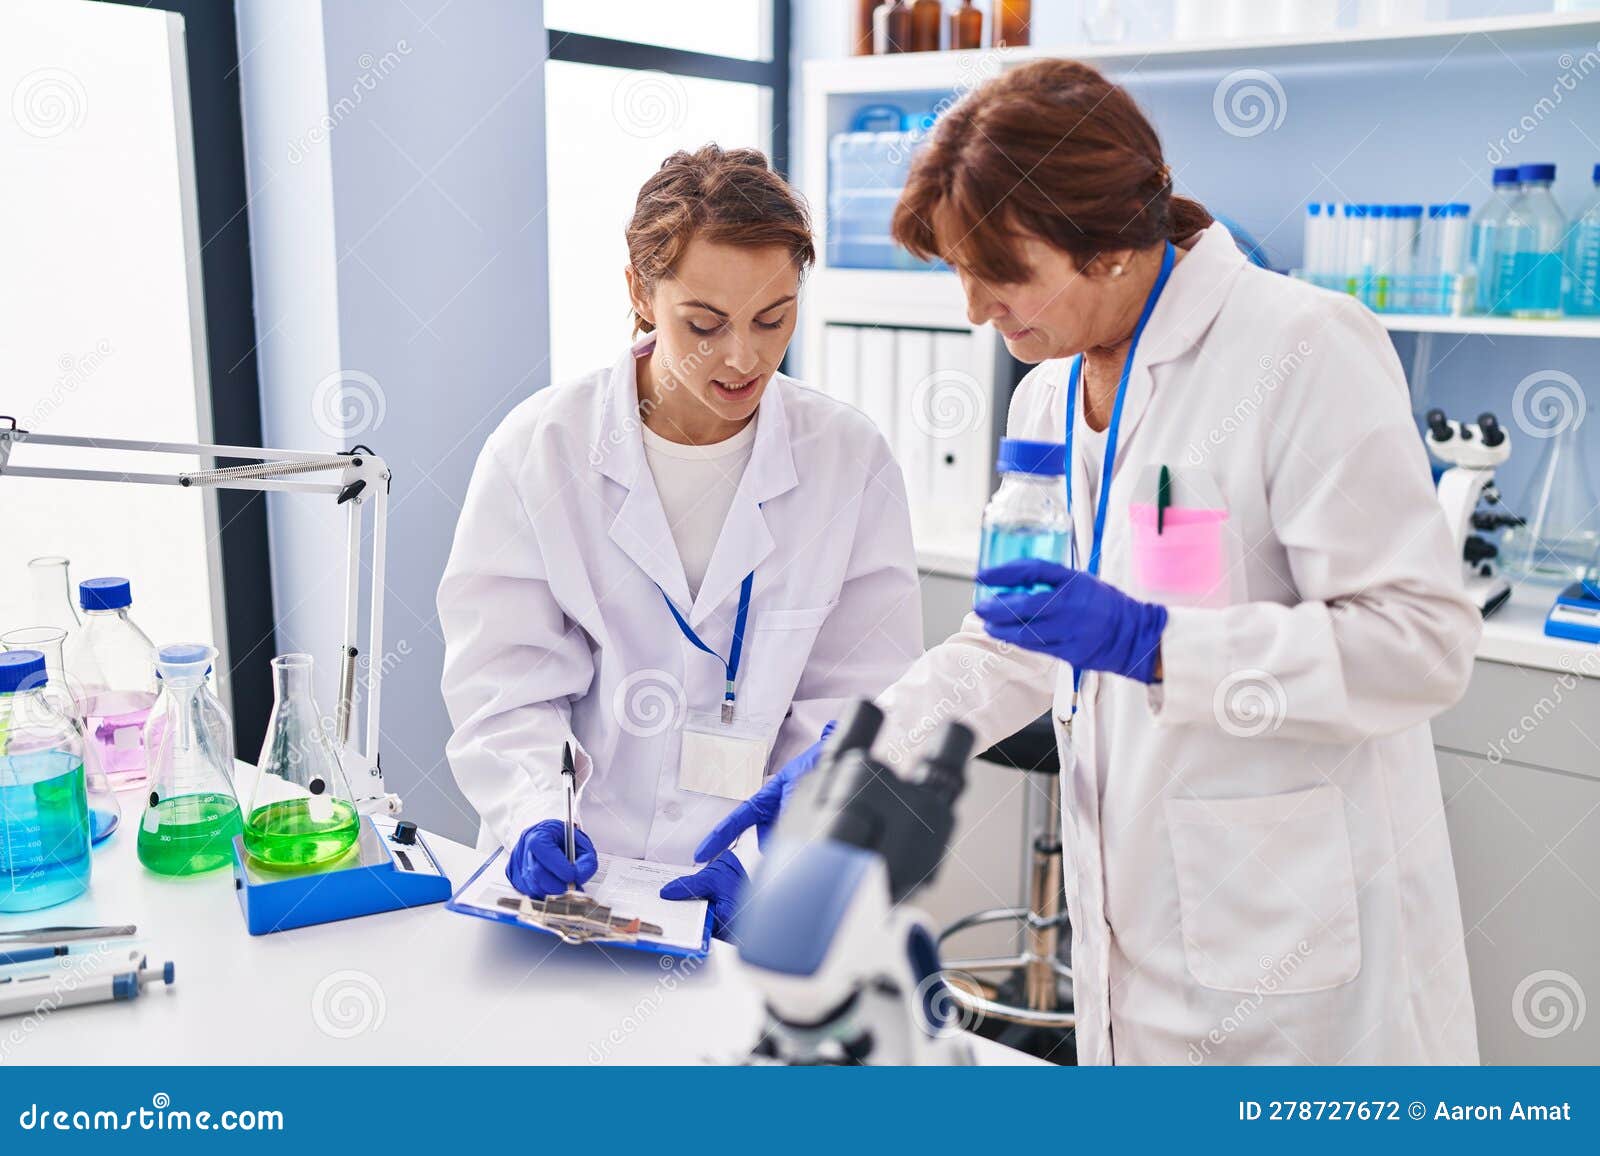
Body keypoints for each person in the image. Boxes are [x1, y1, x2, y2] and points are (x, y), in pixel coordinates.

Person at [698, 61, 1481, 1064]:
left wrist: (1153, 643)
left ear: (1108, 244)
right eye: (958, 273)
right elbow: (1011, 645)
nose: (976, 309)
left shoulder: (1302, 349)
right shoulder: (1049, 393)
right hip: (1132, 937)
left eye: (1001, 274)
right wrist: (861, 749)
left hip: (1297, 965)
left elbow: (1420, 643)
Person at [438, 145, 921, 939]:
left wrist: (775, 858)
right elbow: (503, 685)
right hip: (574, 891)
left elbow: (860, 703)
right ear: (640, 292)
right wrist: (531, 812)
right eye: (705, 324)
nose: (743, 357)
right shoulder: (542, 450)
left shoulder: (848, 460)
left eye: (774, 318)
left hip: (762, 894)